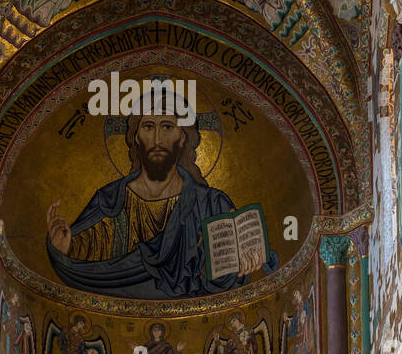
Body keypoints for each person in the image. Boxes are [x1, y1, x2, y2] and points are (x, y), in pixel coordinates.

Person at [46, 96, 275, 297]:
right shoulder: (109, 201)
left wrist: (245, 265)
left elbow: (213, 282)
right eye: (147, 126)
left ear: (183, 137)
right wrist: (63, 250)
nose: (157, 139)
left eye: (167, 127)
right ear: (135, 137)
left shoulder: (212, 205)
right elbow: (85, 261)